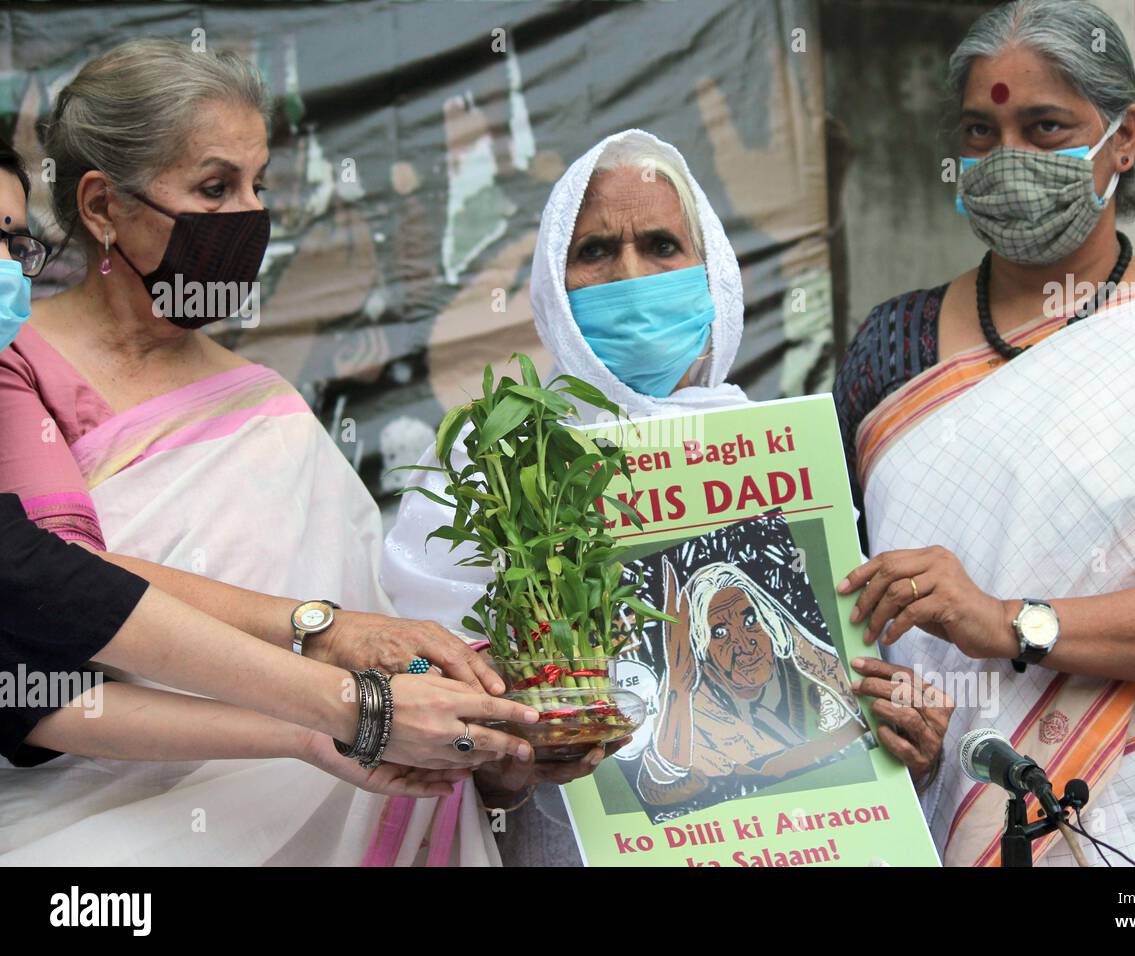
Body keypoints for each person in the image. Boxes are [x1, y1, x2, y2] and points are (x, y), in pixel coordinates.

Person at [0, 41, 526, 865]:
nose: (250, 215)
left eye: (258, 185)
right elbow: (54, 582)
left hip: (341, 775)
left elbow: (368, 614)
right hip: (103, 804)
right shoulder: (17, 360)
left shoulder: (262, 399)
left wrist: (476, 716)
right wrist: (326, 652)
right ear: (102, 207)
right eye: (215, 188)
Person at [833, 0, 1135, 866]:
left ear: (1124, 138)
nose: (1008, 158)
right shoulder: (886, 352)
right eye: (981, 130)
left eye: (1045, 128)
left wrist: (1009, 622)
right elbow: (842, 589)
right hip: (937, 801)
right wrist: (894, 701)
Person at [382, 129, 753, 864]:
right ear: (553, 277)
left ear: (711, 272)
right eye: (594, 252)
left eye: (660, 246)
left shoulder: (768, 441)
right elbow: (415, 671)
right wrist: (504, 745)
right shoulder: (490, 451)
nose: (629, 275)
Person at [638, 560, 867, 813]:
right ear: (701, 649)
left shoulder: (812, 679)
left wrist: (796, 759)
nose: (746, 645)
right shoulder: (695, 713)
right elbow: (660, 788)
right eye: (720, 634)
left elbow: (862, 729)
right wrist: (678, 685)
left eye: (750, 620)